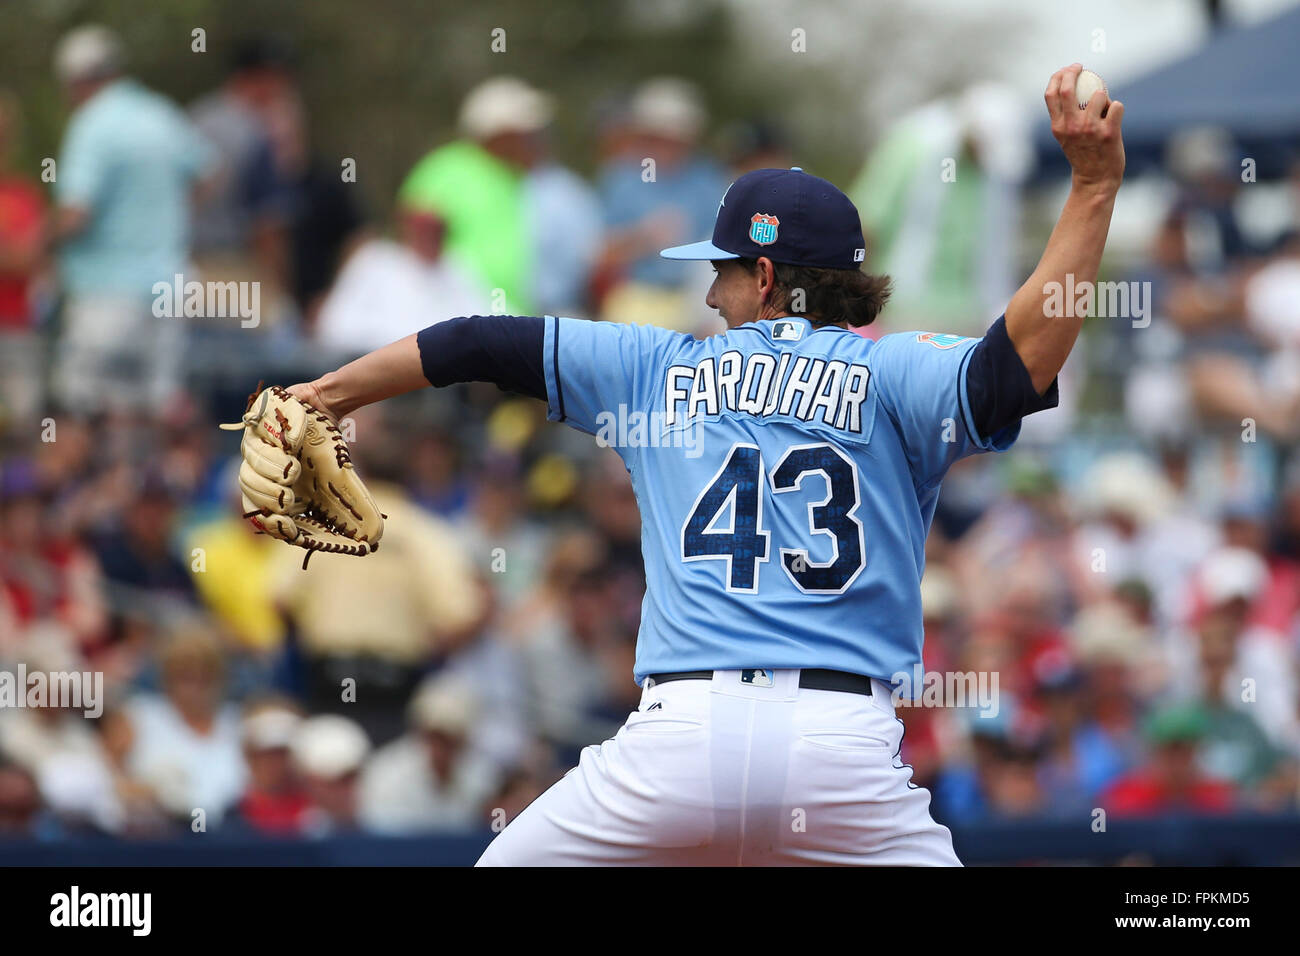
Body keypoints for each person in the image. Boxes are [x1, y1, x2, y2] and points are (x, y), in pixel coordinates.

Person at [263, 65, 1124, 865]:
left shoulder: (656, 367)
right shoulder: (897, 371)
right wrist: (1091, 190)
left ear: (763, 272)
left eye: (721, 273)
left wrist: (330, 394)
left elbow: (474, 340)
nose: (709, 294)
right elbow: (1023, 362)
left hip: (676, 745)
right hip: (840, 752)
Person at [47, 24, 215, 413]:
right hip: (169, 289)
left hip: (105, 294)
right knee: (156, 408)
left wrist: (40, 241)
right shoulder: (160, 113)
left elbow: (76, 214)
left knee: (86, 406)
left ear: (77, 80)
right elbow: (206, 173)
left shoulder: (91, 124)